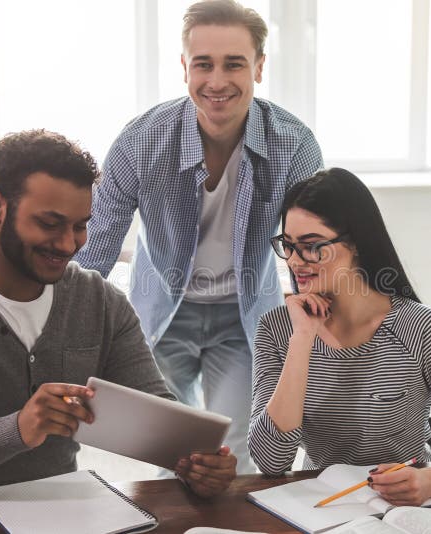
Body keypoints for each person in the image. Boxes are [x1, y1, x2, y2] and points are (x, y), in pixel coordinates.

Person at [0, 130, 236, 500]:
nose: (68, 244)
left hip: (62, 514)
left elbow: (161, 421)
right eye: (49, 223)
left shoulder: (100, 302)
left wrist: (197, 463)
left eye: (80, 225)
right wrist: (16, 430)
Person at [74, 0, 322, 474]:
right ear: (184, 67)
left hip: (246, 315)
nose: (217, 81)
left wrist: (317, 338)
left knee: (238, 454)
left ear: (260, 68)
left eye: (234, 64)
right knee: (169, 454)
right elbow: (96, 250)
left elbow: (311, 249)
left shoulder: (294, 143)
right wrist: (73, 337)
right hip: (162, 310)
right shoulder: (141, 141)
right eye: (203, 64)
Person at [248, 168, 431, 504]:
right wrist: (302, 339)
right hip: (321, 507)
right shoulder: (279, 329)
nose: (294, 261)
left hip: (409, 508)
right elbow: (270, 460)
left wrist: (430, 481)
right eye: (288, 246)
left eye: (312, 247)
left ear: (355, 244)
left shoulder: (421, 328)